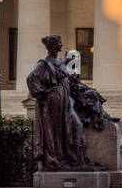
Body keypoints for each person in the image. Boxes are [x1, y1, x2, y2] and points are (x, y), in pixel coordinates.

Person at [25, 34, 87, 170]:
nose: (61, 44)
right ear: (52, 45)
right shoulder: (44, 64)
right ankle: (55, 159)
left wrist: (74, 64)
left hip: (65, 101)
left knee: (73, 125)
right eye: (59, 42)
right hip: (53, 101)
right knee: (54, 129)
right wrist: (43, 92)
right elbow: (31, 78)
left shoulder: (61, 61)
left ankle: (71, 158)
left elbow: (73, 79)